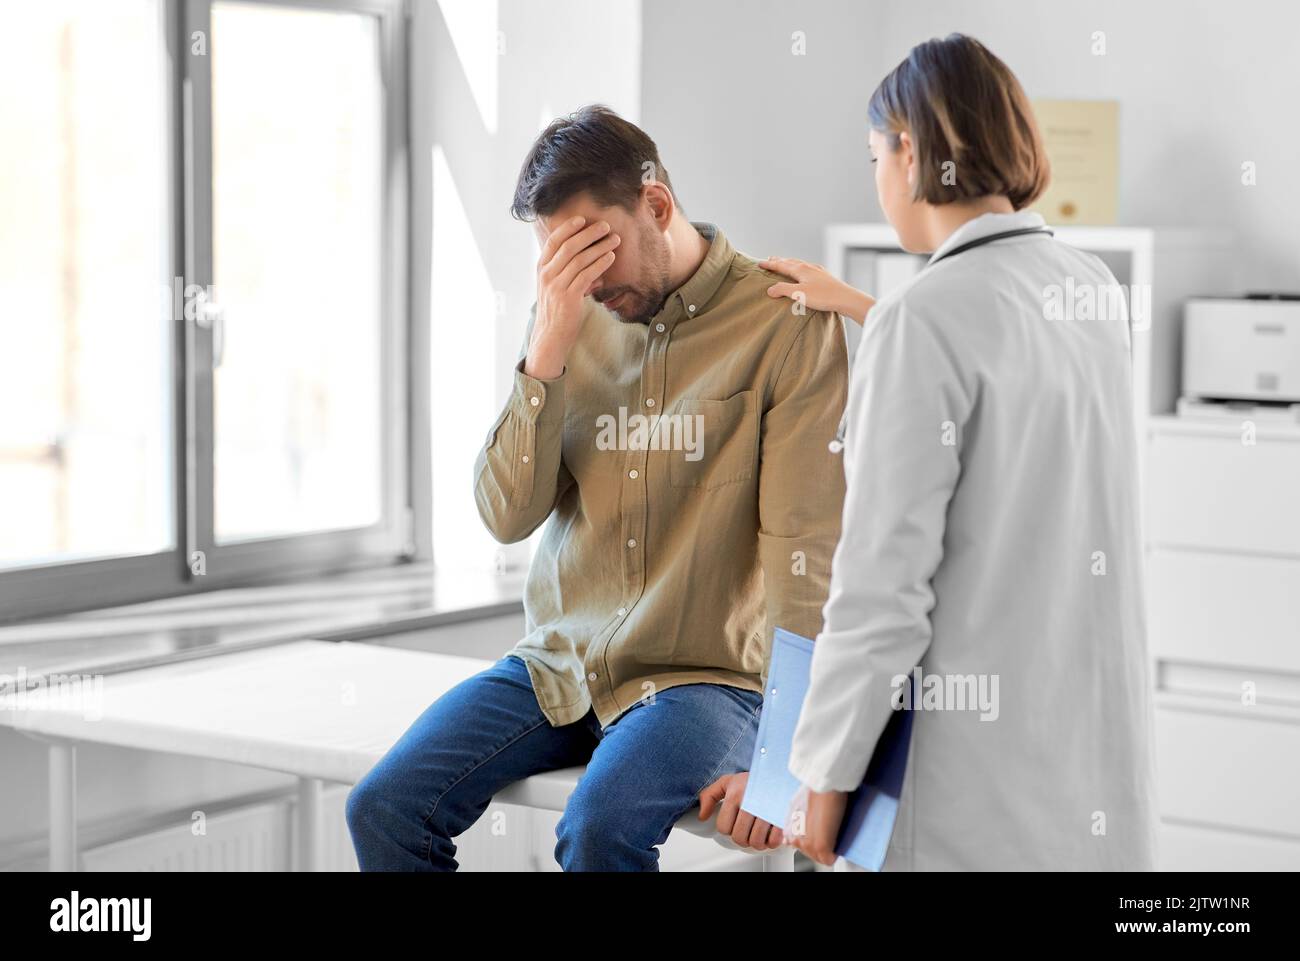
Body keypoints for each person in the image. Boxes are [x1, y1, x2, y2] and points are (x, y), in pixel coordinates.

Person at [346, 105, 848, 870]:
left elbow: (802, 557)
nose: (583, 279)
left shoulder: (785, 324)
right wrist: (544, 354)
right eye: (559, 257)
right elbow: (505, 517)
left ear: (656, 204)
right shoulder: (567, 315)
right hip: (558, 661)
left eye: (593, 248)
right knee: (382, 806)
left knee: (600, 827)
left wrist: (787, 766)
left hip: (701, 678)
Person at [711, 33, 1158, 870]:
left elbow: (882, 588)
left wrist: (820, 774)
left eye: (875, 154)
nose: (877, 178)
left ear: (910, 151)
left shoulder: (926, 321)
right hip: (1082, 770)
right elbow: (1001, 380)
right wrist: (862, 308)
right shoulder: (1089, 287)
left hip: (969, 792)